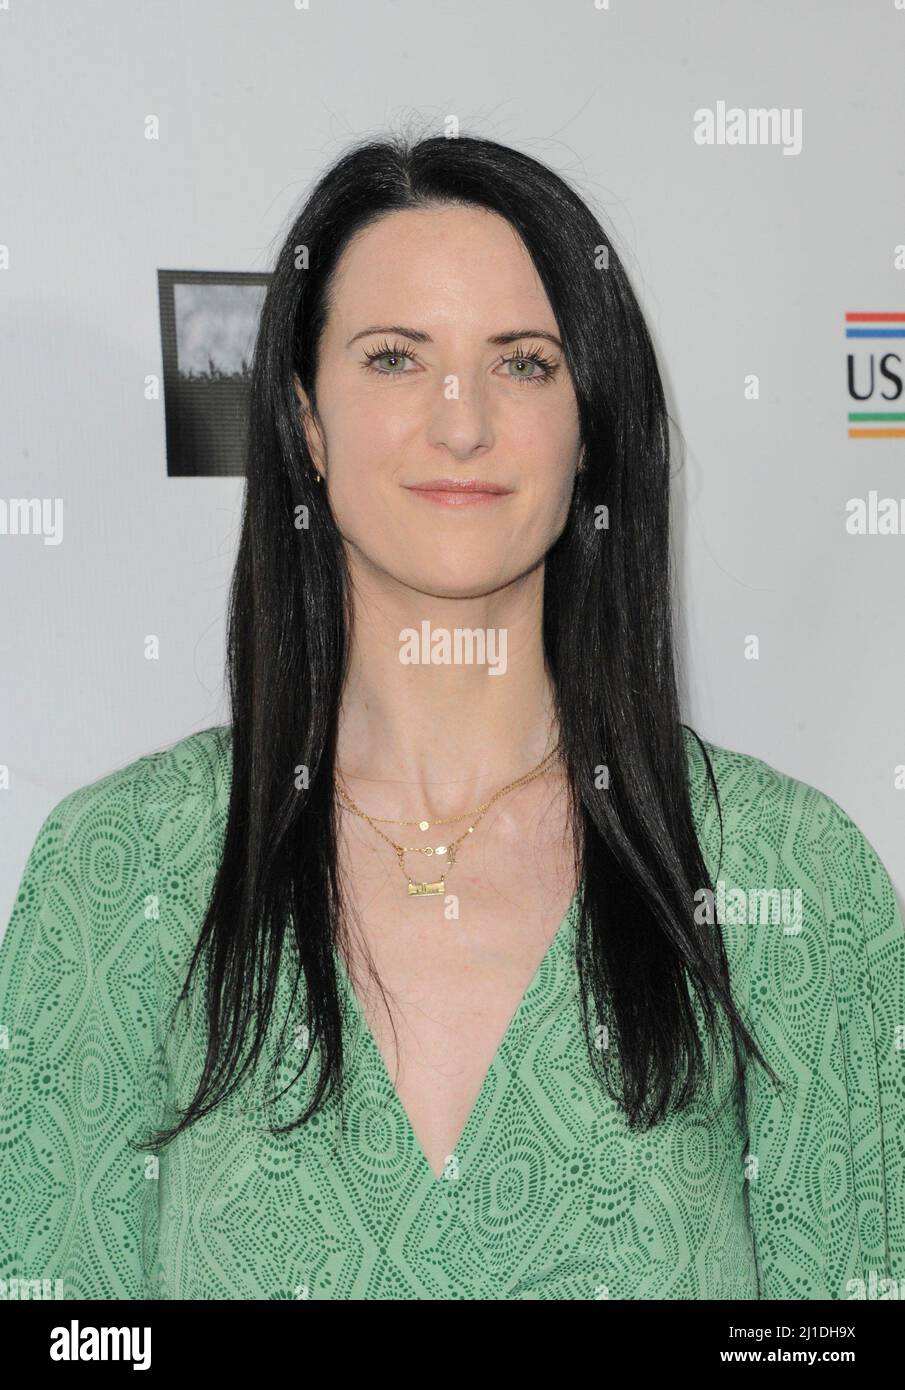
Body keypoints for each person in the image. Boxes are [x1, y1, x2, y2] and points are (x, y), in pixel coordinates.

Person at [1, 133, 903, 1302]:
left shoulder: (782, 875)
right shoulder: (122, 874)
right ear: (306, 422)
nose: (461, 420)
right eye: (392, 357)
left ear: (589, 427)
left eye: (523, 363)